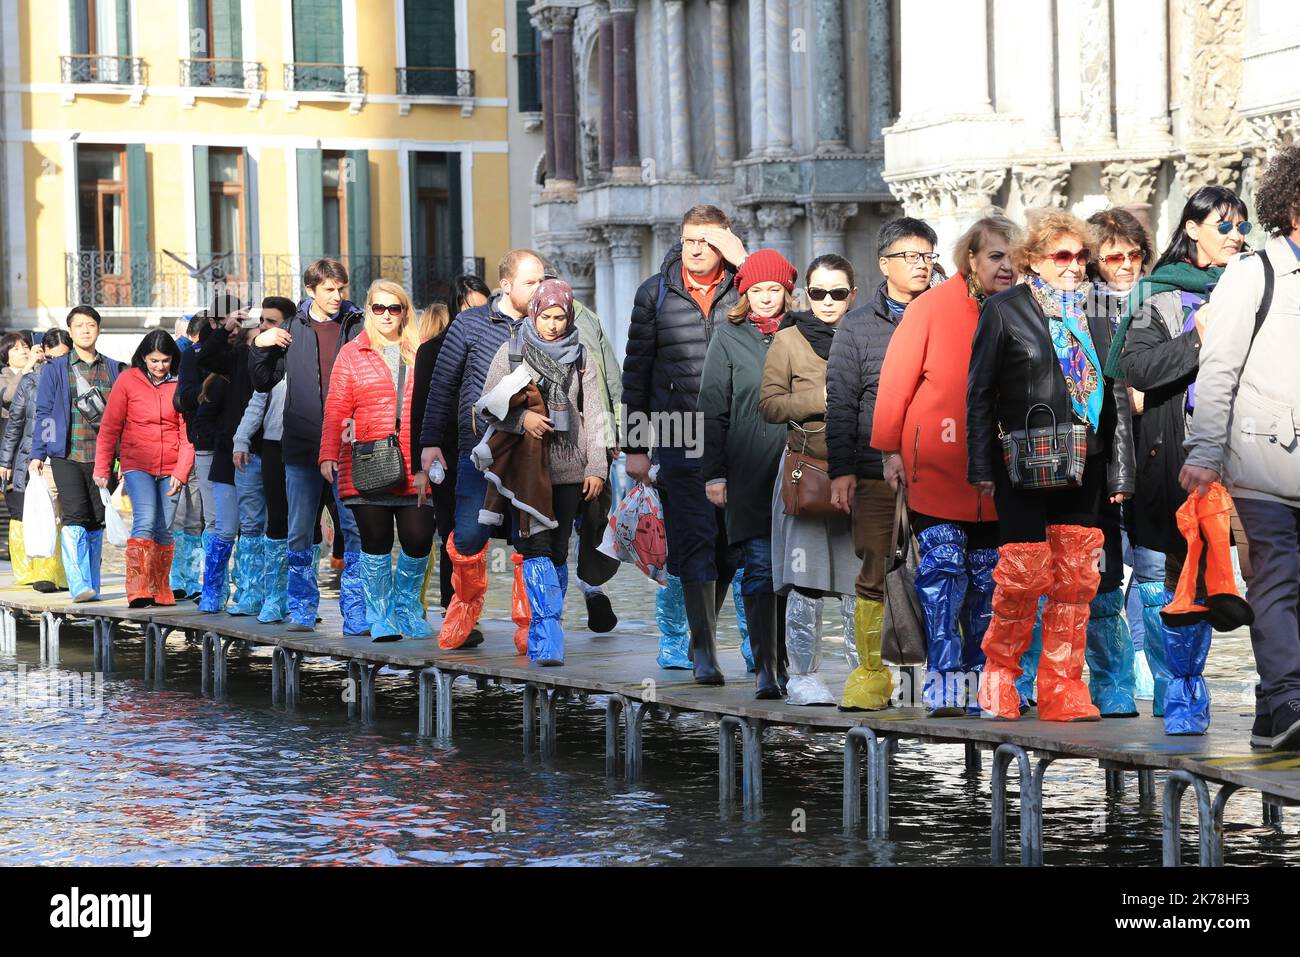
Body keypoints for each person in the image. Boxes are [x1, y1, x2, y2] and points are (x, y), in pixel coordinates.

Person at [967, 210, 1135, 722]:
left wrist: (1122, 472)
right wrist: (980, 467)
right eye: (1062, 256)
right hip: (1024, 459)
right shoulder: (1004, 309)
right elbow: (979, 394)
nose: (1074, 265)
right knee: (1022, 574)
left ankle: (1063, 687)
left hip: (1088, 458)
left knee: (1076, 579)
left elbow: (1118, 396)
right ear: (1035, 261)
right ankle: (1000, 679)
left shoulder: (1102, 309)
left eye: (1081, 255)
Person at [1110, 185, 1251, 734]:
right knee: (1181, 580)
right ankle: (1185, 694)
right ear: (1192, 229)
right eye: (1225, 225)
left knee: (1266, 575)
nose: (1237, 236)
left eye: (1242, 226)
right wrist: (1196, 336)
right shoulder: (1159, 296)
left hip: (1251, 463)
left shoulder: (1257, 287)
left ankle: (1279, 696)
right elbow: (1134, 370)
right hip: (1183, 465)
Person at [872, 214, 1021, 716]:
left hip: (998, 470)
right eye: (996, 256)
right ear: (971, 260)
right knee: (942, 572)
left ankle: (983, 678)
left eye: (1013, 257)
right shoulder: (931, 308)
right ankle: (943, 679)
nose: (1007, 266)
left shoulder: (1024, 307)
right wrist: (889, 449)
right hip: (937, 462)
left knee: (988, 578)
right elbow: (896, 382)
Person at [1181, 146, 1300, 750]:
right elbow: (1218, 369)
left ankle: (1267, 706)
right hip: (1263, 462)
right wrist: (1203, 455)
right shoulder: (1254, 272)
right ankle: (1288, 701)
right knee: (1276, 577)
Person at [622, 205, 750, 684]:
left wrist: (745, 261)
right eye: (689, 238)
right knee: (694, 539)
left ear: (725, 241)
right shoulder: (654, 293)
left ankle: (702, 637)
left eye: (708, 239)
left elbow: (784, 316)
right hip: (678, 433)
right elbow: (636, 371)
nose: (696, 248)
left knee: (729, 549)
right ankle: (705, 653)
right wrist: (635, 446)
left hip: (737, 433)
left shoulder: (744, 288)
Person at [757, 253, 887, 707]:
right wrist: (824, 395)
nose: (827, 301)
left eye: (837, 292)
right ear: (805, 294)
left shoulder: (871, 335)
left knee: (862, 581)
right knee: (805, 582)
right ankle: (803, 678)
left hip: (864, 474)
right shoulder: (788, 340)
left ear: (852, 294)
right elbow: (770, 405)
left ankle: (866, 674)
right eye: (817, 292)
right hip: (808, 474)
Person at [827, 217, 937, 707]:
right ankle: (873, 675)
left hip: (939, 467)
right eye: (910, 257)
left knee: (944, 567)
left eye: (927, 255)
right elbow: (843, 401)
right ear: (884, 264)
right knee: (876, 569)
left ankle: (943, 674)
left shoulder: (951, 313)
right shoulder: (858, 324)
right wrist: (842, 471)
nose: (920, 265)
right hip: (874, 470)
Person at [474, 279, 608, 663]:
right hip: (526, 470)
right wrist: (522, 419)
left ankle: (551, 625)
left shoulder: (583, 356)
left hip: (570, 470)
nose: (552, 324)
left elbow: (597, 415)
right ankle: (546, 636)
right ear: (533, 314)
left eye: (560, 316)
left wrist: (597, 467)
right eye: (546, 316)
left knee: (558, 552)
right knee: (534, 546)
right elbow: (486, 405)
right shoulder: (511, 350)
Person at [420, 249, 547, 650]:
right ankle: (463, 610)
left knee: (530, 540)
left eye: (542, 280)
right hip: (478, 450)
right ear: (506, 285)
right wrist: (429, 443)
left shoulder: (549, 322)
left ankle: (530, 626)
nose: (539, 289)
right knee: (471, 535)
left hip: (531, 453)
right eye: (531, 282)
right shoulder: (469, 324)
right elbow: (441, 385)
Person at [695, 250, 794, 697]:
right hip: (748, 470)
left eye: (774, 289)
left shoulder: (803, 332)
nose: (767, 298)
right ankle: (766, 669)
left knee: (794, 570)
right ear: (745, 293)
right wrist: (714, 474)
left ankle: (789, 660)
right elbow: (711, 410)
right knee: (758, 568)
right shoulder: (728, 336)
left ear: (787, 291)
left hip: (799, 468)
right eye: (758, 290)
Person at [249, 259, 366, 634]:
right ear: (311, 291)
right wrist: (259, 345)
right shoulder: (290, 329)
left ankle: (356, 613)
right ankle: (300, 608)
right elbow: (263, 381)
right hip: (301, 446)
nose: (337, 296)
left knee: (353, 529)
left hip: (350, 446)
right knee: (300, 529)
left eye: (341, 289)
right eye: (329, 289)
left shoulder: (358, 325)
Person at [320, 280, 433, 642]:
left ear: (404, 311)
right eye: (378, 308)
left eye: (394, 308)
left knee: (418, 539)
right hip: (366, 462)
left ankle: (407, 606)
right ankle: (380, 614)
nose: (386, 315)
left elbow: (433, 405)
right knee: (376, 541)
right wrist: (326, 454)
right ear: (368, 310)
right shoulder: (352, 354)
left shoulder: (420, 351)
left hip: (414, 463)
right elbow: (336, 408)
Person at [1087, 207, 1159, 704]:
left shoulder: (1158, 302)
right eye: (1115, 258)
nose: (1127, 266)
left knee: (1155, 569)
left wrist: (1148, 396)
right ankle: (1113, 680)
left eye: (1135, 256)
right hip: (1106, 454)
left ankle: (1153, 667)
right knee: (1107, 569)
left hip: (1154, 448)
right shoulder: (1085, 308)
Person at [29, 307, 125, 602]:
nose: (86, 330)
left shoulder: (114, 368)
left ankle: (92, 583)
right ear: (70, 332)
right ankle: (79, 583)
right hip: (66, 453)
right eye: (79, 325)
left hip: (103, 456)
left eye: (91, 324)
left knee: (97, 518)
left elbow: (124, 415)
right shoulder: (55, 369)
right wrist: (39, 452)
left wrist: (125, 456)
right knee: (73, 516)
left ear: (99, 329)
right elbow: (44, 413)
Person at [93, 331, 194, 608]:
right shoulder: (128, 380)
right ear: (143, 357)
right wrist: (102, 466)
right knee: (146, 519)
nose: (160, 366)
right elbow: (111, 426)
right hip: (137, 463)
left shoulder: (181, 382)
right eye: (154, 360)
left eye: (165, 360)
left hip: (172, 465)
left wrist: (182, 471)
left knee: (165, 528)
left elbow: (188, 432)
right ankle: (138, 589)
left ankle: (160, 587)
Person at [232, 297, 295, 621]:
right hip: (272, 445)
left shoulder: (303, 355)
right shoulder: (267, 359)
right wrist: (241, 439)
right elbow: (257, 404)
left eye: (272, 321)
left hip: (309, 446)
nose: (265, 327)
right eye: (263, 321)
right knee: (274, 522)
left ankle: (298, 601)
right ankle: (267, 595)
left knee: (304, 525)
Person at [0, 329, 71, 593]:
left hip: (58, 456)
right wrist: (5, 461)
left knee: (62, 515)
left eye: (25, 347)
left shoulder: (66, 379)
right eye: (16, 348)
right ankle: (32, 570)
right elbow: (13, 417)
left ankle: (60, 572)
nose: (23, 351)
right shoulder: (22, 381)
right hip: (27, 455)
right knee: (28, 513)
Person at [168, 313, 210, 600]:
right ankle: (179, 578)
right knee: (183, 518)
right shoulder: (183, 360)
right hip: (183, 448)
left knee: (194, 518)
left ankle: (190, 579)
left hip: (202, 447)